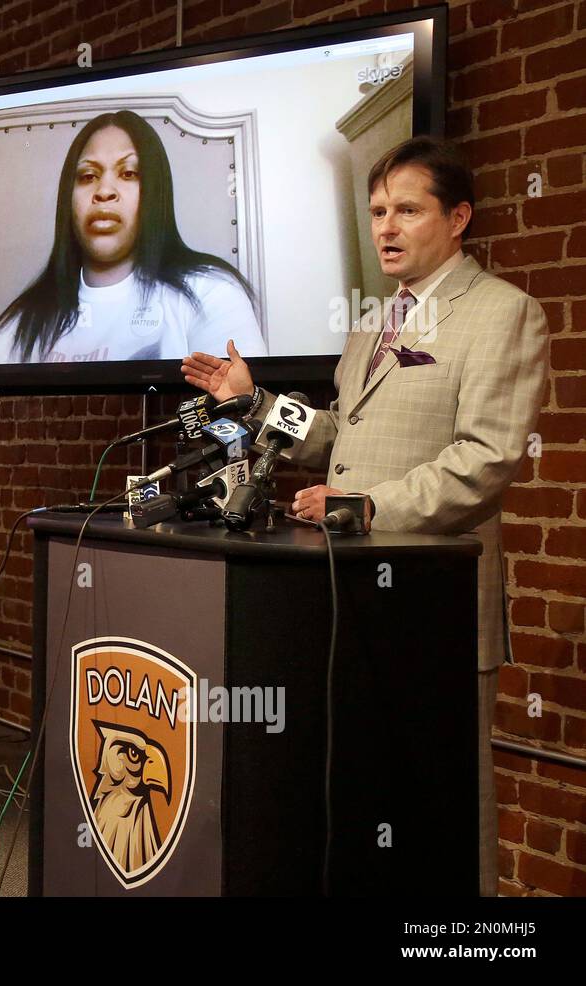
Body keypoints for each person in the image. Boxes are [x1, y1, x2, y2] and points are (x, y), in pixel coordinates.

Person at [181, 136, 548, 897]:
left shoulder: (503, 313)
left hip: (433, 605)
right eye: (378, 209)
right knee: (362, 795)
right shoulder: (374, 322)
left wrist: (372, 504)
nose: (386, 225)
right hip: (347, 593)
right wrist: (251, 402)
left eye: (408, 209)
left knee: (440, 808)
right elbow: (336, 437)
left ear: (459, 219)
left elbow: (487, 457)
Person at [0, 109, 265, 364]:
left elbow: (242, 410)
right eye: (87, 176)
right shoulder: (22, 323)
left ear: (154, 193)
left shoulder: (210, 292)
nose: (104, 191)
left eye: (128, 173)